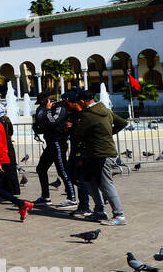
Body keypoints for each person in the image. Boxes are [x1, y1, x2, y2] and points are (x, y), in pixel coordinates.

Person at [69, 89, 128, 226]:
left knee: (106, 184)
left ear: (83, 101)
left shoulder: (88, 115)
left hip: (101, 154)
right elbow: (122, 123)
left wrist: (71, 127)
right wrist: (107, 134)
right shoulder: (106, 110)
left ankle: (119, 216)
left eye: (79, 102)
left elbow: (79, 133)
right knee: (89, 180)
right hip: (96, 153)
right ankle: (100, 211)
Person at [33, 94, 76, 206]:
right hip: (50, 143)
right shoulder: (45, 109)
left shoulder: (60, 108)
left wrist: (47, 111)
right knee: (41, 168)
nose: (41, 105)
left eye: (42, 102)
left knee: (62, 171)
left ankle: (72, 198)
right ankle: (45, 197)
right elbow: (42, 127)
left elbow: (52, 122)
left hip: (58, 143)